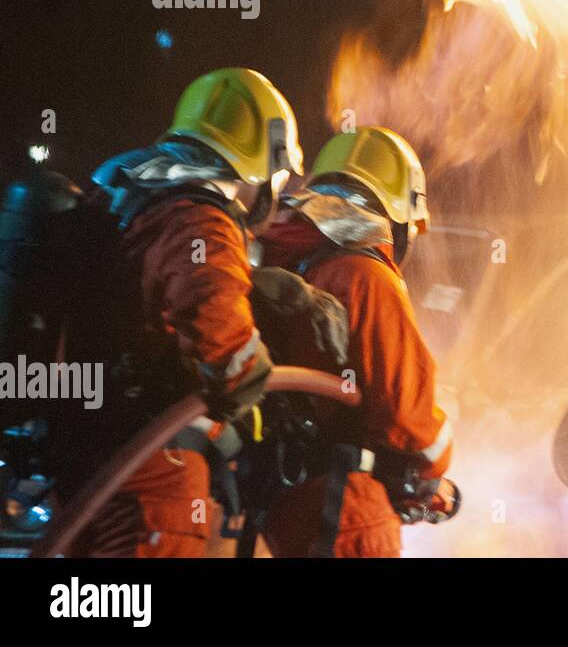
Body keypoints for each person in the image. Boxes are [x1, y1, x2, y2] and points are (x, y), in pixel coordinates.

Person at [76, 67, 303, 557]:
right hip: (153, 470)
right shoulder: (198, 214)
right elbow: (226, 347)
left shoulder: (130, 195)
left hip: (90, 458)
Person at [258, 126, 456, 557]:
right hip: (347, 514)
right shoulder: (365, 275)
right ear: (398, 211)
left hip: (276, 506)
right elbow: (408, 417)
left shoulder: (278, 253)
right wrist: (431, 475)